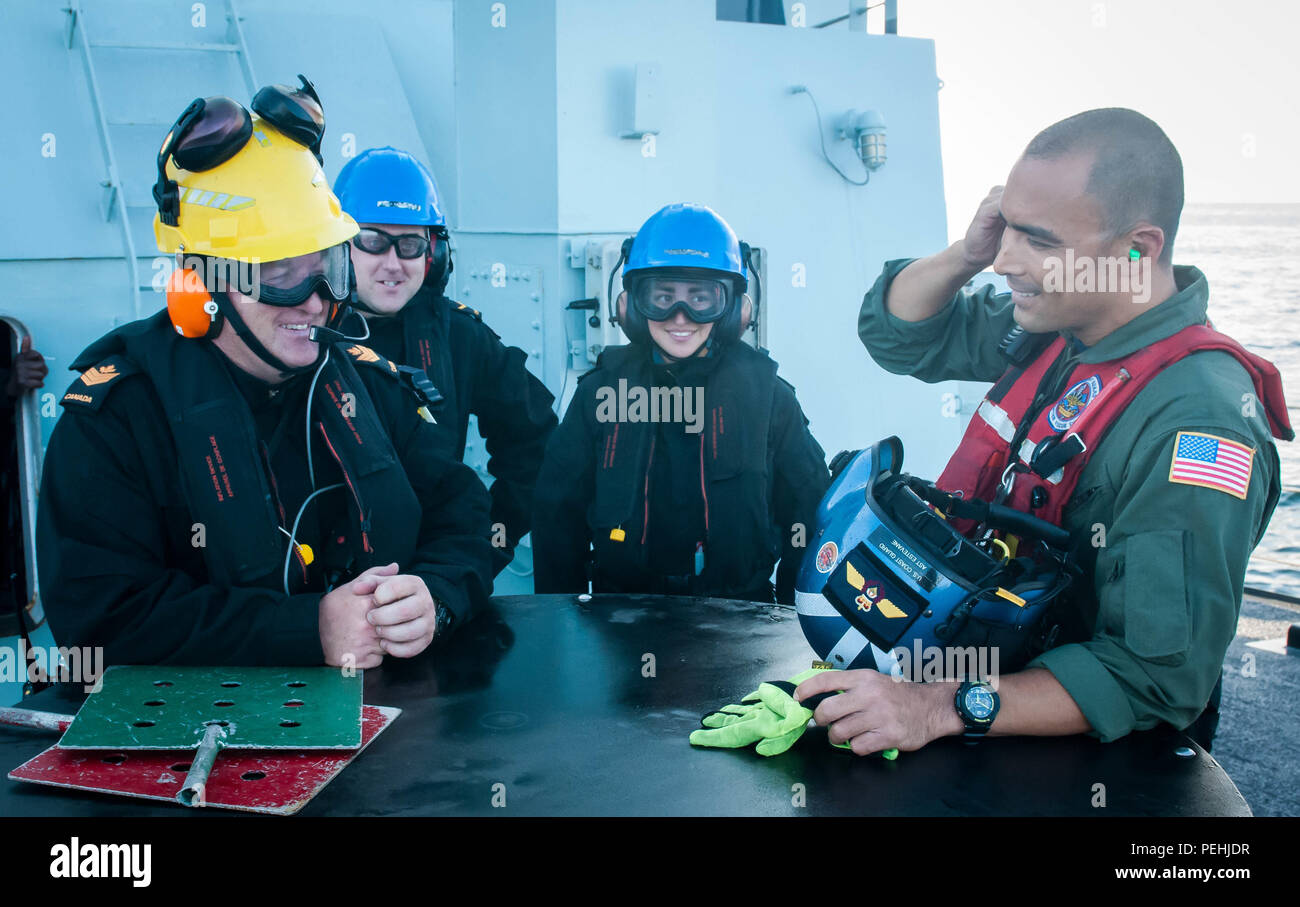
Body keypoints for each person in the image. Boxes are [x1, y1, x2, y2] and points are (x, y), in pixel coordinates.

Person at [795, 108, 1292, 754]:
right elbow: (897, 335)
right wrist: (966, 253)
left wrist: (933, 705)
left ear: (1135, 250)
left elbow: (1152, 678)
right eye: (1005, 229)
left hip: (1091, 760)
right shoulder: (1058, 323)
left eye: (1038, 240)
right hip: (973, 703)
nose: (1004, 261)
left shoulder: (1200, 422)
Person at [37, 79, 494, 668]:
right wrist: (307, 630)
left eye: (327, 265)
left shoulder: (368, 383)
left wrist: (437, 594)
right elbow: (100, 618)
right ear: (199, 282)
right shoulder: (118, 418)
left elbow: (460, 515)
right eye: (279, 273)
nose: (314, 301)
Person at [532, 203, 830, 604]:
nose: (680, 316)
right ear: (631, 304)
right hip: (619, 618)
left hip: (741, 622)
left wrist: (794, 623)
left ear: (733, 308)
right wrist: (560, 619)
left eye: (701, 298)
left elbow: (807, 511)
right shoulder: (601, 392)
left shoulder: (770, 398)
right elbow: (557, 516)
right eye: (662, 296)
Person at [332, 148, 557, 574]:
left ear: (433, 256)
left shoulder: (458, 336)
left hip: (435, 579)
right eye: (373, 241)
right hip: (322, 589)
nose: (393, 263)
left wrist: (487, 543)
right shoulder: (301, 333)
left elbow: (537, 443)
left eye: (411, 244)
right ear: (338, 246)